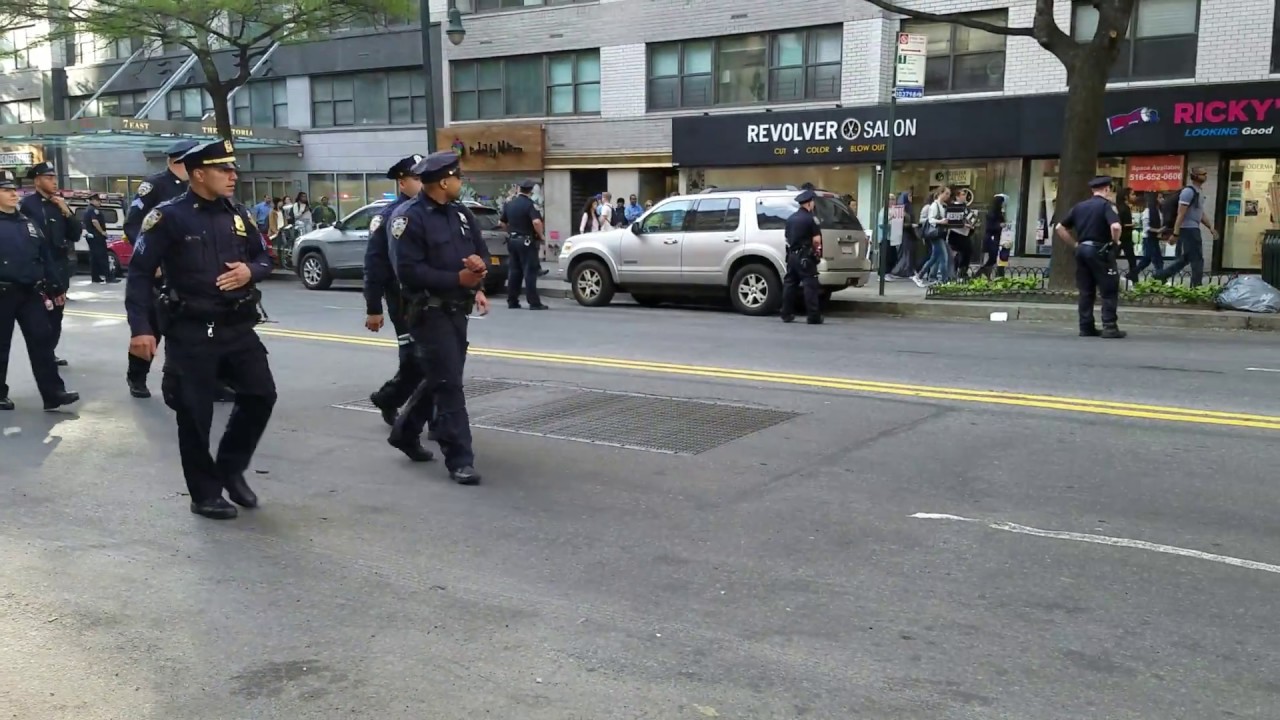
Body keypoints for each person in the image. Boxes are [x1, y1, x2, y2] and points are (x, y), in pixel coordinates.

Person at [125, 139, 277, 520]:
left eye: (232, 169)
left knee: (261, 395)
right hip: (192, 329)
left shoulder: (237, 213)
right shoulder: (168, 217)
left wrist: (250, 271)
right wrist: (141, 328)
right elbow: (140, 273)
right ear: (198, 174)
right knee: (195, 414)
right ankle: (204, 492)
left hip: (236, 325)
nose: (233, 175)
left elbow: (263, 257)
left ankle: (230, 467)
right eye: (224, 169)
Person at [390, 151, 490, 485]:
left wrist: (478, 275)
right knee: (449, 385)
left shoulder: (460, 214)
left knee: (440, 378)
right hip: (428, 312)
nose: (461, 182)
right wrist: (456, 280)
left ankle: (404, 432)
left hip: (456, 310)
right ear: (444, 181)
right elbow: (408, 271)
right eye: (458, 177)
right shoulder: (409, 218)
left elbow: (479, 251)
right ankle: (460, 458)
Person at [122, 139, 235, 401]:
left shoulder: (203, 187)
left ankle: (212, 381)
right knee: (152, 325)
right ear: (180, 162)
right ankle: (137, 375)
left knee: (206, 329)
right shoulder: (155, 186)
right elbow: (134, 225)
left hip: (195, 272)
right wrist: (154, 263)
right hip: (160, 271)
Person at [0, 169, 79, 412]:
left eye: (14, 190)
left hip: (30, 293)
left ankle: (53, 393)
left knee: (42, 342)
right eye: (6, 191)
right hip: (3, 293)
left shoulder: (28, 223)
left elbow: (44, 256)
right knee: (1, 346)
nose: (13, 194)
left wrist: (55, 286)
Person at [365, 154, 428, 428]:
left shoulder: (432, 211)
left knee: (434, 358)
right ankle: (390, 399)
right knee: (414, 359)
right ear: (402, 183)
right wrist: (373, 307)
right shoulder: (390, 216)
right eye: (417, 178)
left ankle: (434, 417)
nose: (423, 183)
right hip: (402, 298)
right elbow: (374, 263)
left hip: (431, 296)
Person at [19, 161, 81, 367]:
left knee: (57, 314)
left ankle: (50, 351)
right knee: (42, 315)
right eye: (48, 178)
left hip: (60, 264)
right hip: (40, 265)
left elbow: (75, 233)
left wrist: (66, 210)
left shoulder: (58, 204)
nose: (54, 182)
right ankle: (43, 355)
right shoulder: (29, 205)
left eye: (54, 178)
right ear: (37, 181)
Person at [1056, 176, 1126, 339]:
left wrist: (1075, 245)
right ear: (1107, 189)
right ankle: (1109, 327)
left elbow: (1060, 227)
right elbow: (1115, 226)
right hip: (1100, 250)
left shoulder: (1079, 207)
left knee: (1086, 290)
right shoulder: (1107, 206)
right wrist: (1115, 242)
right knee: (1109, 289)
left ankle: (1086, 326)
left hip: (1082, 249)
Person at [1153, 167, 1216, 287]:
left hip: (1193, 228)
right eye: (1203, 174)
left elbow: (1200, 213)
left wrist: (1210, 227)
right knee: (1197, 259)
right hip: (1188, 229)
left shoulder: (1199, 192)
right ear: (1196, 176)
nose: (1206, 176)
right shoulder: (1188, 192)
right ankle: (1196, 287)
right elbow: (1181, 213)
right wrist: (1175, 233)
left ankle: (1160, 276)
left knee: (1187, 258)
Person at [500, 178, 547, 310]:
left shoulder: (509, 204)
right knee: (530, 272)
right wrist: (541, 235)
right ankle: (534, 302)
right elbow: (536, 222)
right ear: (531, 191)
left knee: (514, 271)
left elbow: (501, 222)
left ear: (519, 189)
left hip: (512, 240)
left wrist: (510, 231)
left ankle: (512, 301)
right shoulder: (530, 205)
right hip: (526, 241)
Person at [780, 188, 823, 324]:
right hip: (806, 256)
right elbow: (816, 240)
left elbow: (787, 238)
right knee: (810, 285)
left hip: (792, 256)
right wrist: (817, 254)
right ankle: (813, 316)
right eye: (813, 202)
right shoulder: (811, 219)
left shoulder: (791, 219)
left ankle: (786, 314)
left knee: (790, 285)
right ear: (809, 203)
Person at [83, 194, 117, 284]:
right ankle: (108, 277)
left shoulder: (88, 210)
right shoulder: (93, 210)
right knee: (102, 257)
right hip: (97, 237)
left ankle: (95, 277)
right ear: (92, 200)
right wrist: (102, 232)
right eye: (98, 200)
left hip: (92, 237)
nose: (99, 202)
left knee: (94, 258)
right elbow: (94, 221)